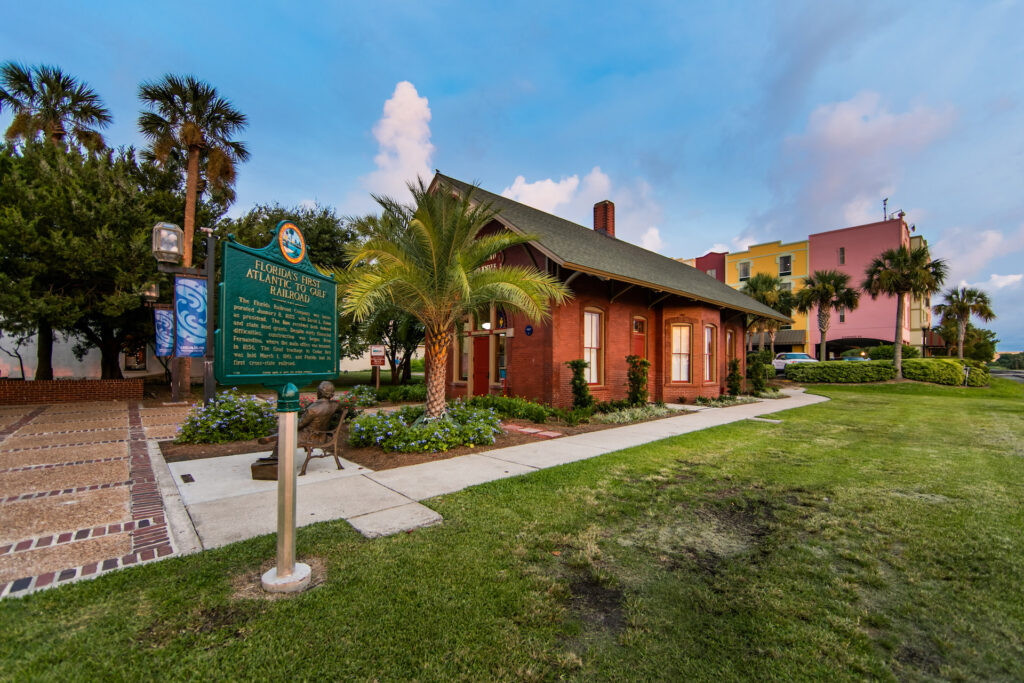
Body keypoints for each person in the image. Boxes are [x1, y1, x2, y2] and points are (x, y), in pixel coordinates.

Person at [252, 381, 341, 478]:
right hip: (321, 435)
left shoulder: (313, 409)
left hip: (309, 436)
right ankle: (275, 438)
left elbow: (299, 425)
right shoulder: (335, 405)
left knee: (284, 436)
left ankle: (275, 457)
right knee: (283, 430)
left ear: (319, 392)